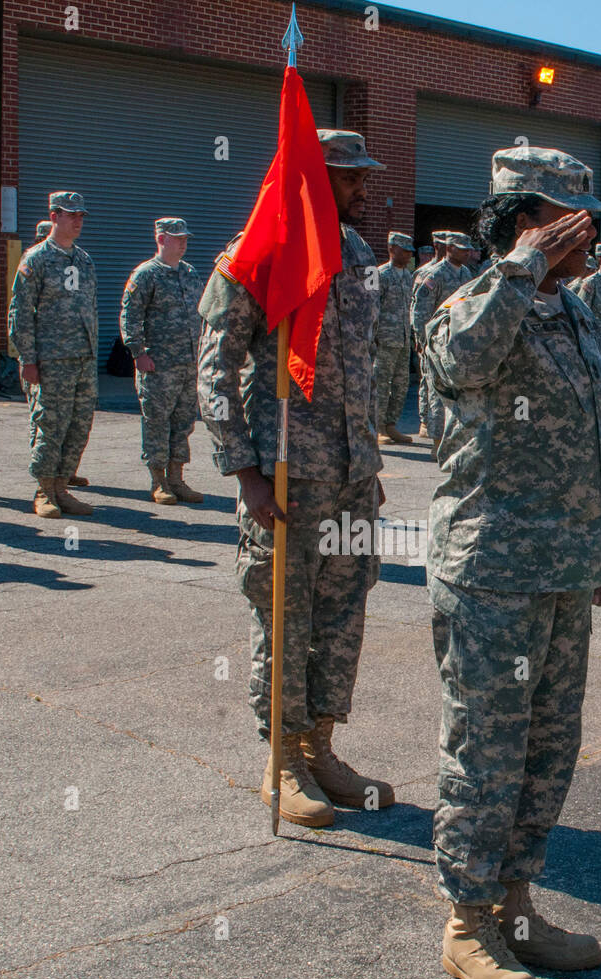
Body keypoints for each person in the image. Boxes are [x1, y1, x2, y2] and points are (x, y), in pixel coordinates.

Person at [423, 145, 601, 979]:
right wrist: (521, 266)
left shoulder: (573, 313)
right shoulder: (471, 301)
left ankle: (518, 904)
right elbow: (462, 362)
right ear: (521, 221)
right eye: (565, 218)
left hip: (565, 569)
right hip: (492, 568)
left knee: (548, 747)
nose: (587, 233)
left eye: (589, 218)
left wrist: (599, 544)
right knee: (487, 749)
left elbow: (591, 441)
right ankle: (468, 921)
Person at [197, 129, 394, 828]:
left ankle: (320, 747)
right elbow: (213, 369)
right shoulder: (262, 253)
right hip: (286, 476)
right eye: (349, 178)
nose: (363, 189)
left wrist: (368, 464)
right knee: (283, 615)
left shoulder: (359, 254)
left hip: (347, 475)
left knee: (342, 614)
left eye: (363, 176)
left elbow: (363, 367)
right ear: (313, 180)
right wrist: (245, 470)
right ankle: (281, 761)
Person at [9, 191, 98, 519]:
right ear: (54, 215)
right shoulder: (36, 259)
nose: (77, 221)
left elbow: (89, 309)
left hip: (83, 359)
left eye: (81, 216)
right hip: (51, 359)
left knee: (79, 424)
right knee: (51, 424)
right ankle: (44, 490)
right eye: (71, 214)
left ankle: (63, 486)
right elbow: (21, 312)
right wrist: (28, 359)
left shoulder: (84, 260)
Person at [120, 217, 204, 505]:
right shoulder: (146, 275)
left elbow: (201, 315)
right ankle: (158, 481)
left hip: (188, 363)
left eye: (185, 238)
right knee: (157, 422)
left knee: (184, 422)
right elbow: (130, 316)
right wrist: (138, 352)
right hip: (158, 365)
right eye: (176, 237)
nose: (182, 243)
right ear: (160, 239)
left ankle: (177, 478)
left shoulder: (190, 273)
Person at [410, 231, 472, 458]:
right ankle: (437, 442)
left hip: (458, 343)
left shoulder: (467, 274)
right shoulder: (434, 275)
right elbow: (420, 310)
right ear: (449, 249)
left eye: (468, 248)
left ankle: (455, 439)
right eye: (461, 248)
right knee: (437, 391)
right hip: (436, 342)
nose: (467, 252)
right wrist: (421, 339)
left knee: (459, 392)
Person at [373, 230, 416, 443]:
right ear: (392, 249)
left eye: (410, 252)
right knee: (380, 384)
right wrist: (372, 336)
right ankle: (378, 427)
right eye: (404, 251)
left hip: (403, 337)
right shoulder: (377, 274)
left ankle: (391, 425)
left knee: (401, 384)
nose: (408, 255)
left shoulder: (409, 276)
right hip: (384, 339)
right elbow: (369, 307)